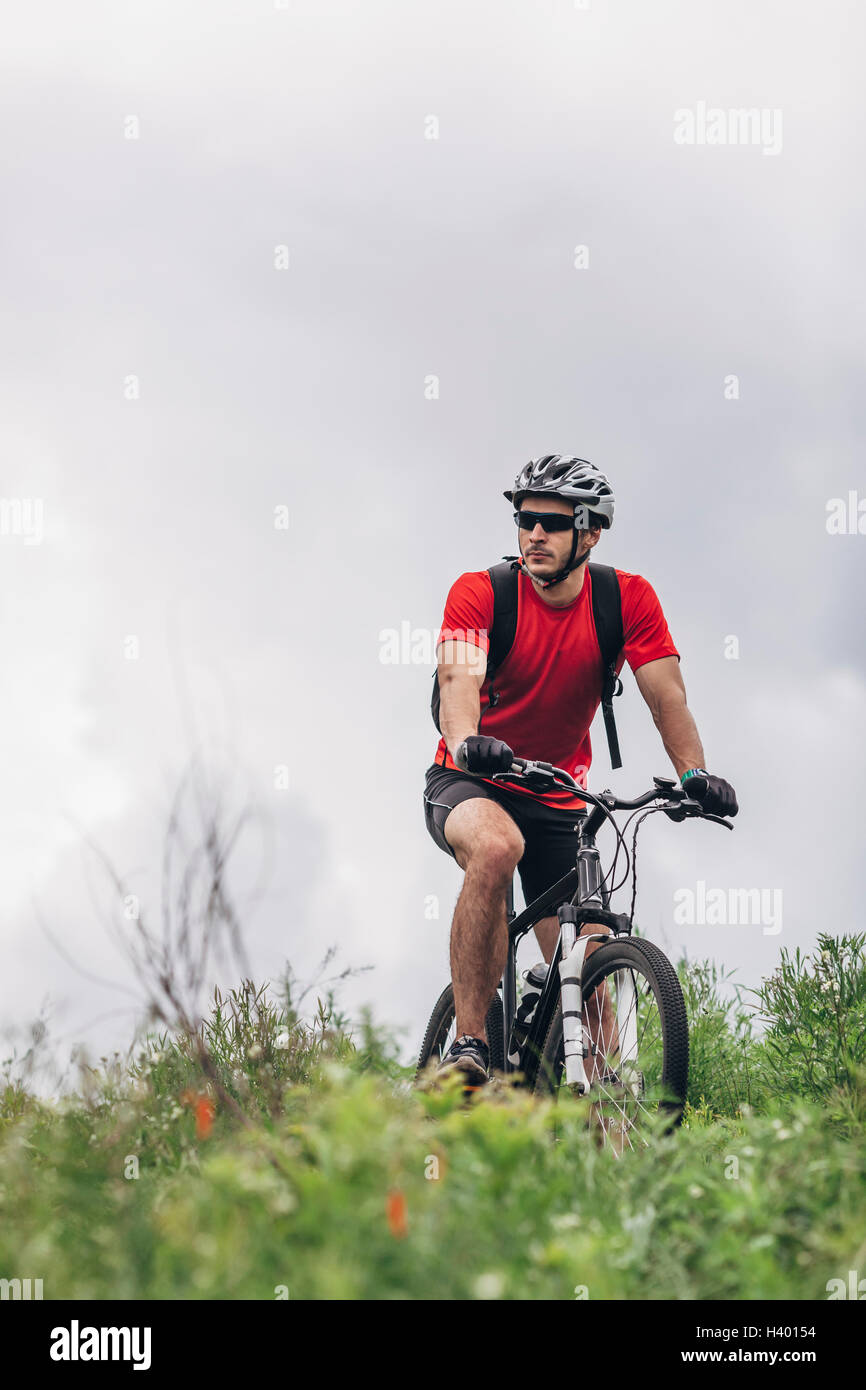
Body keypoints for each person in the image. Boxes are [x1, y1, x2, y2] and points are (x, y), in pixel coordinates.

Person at [423, 454, 738, 1086]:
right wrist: (466, 741)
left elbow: (665, 695)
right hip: (471, 780)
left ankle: (616, 1167)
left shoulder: (626, 600)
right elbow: (459, 677)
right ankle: (471, 1045)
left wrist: (695, 776)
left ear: (589, 534)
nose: (533, 534)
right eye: (524, 519)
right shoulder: (480, 591)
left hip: (558, 796)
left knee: (589, 967)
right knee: (496, 846)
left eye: (551, 522)